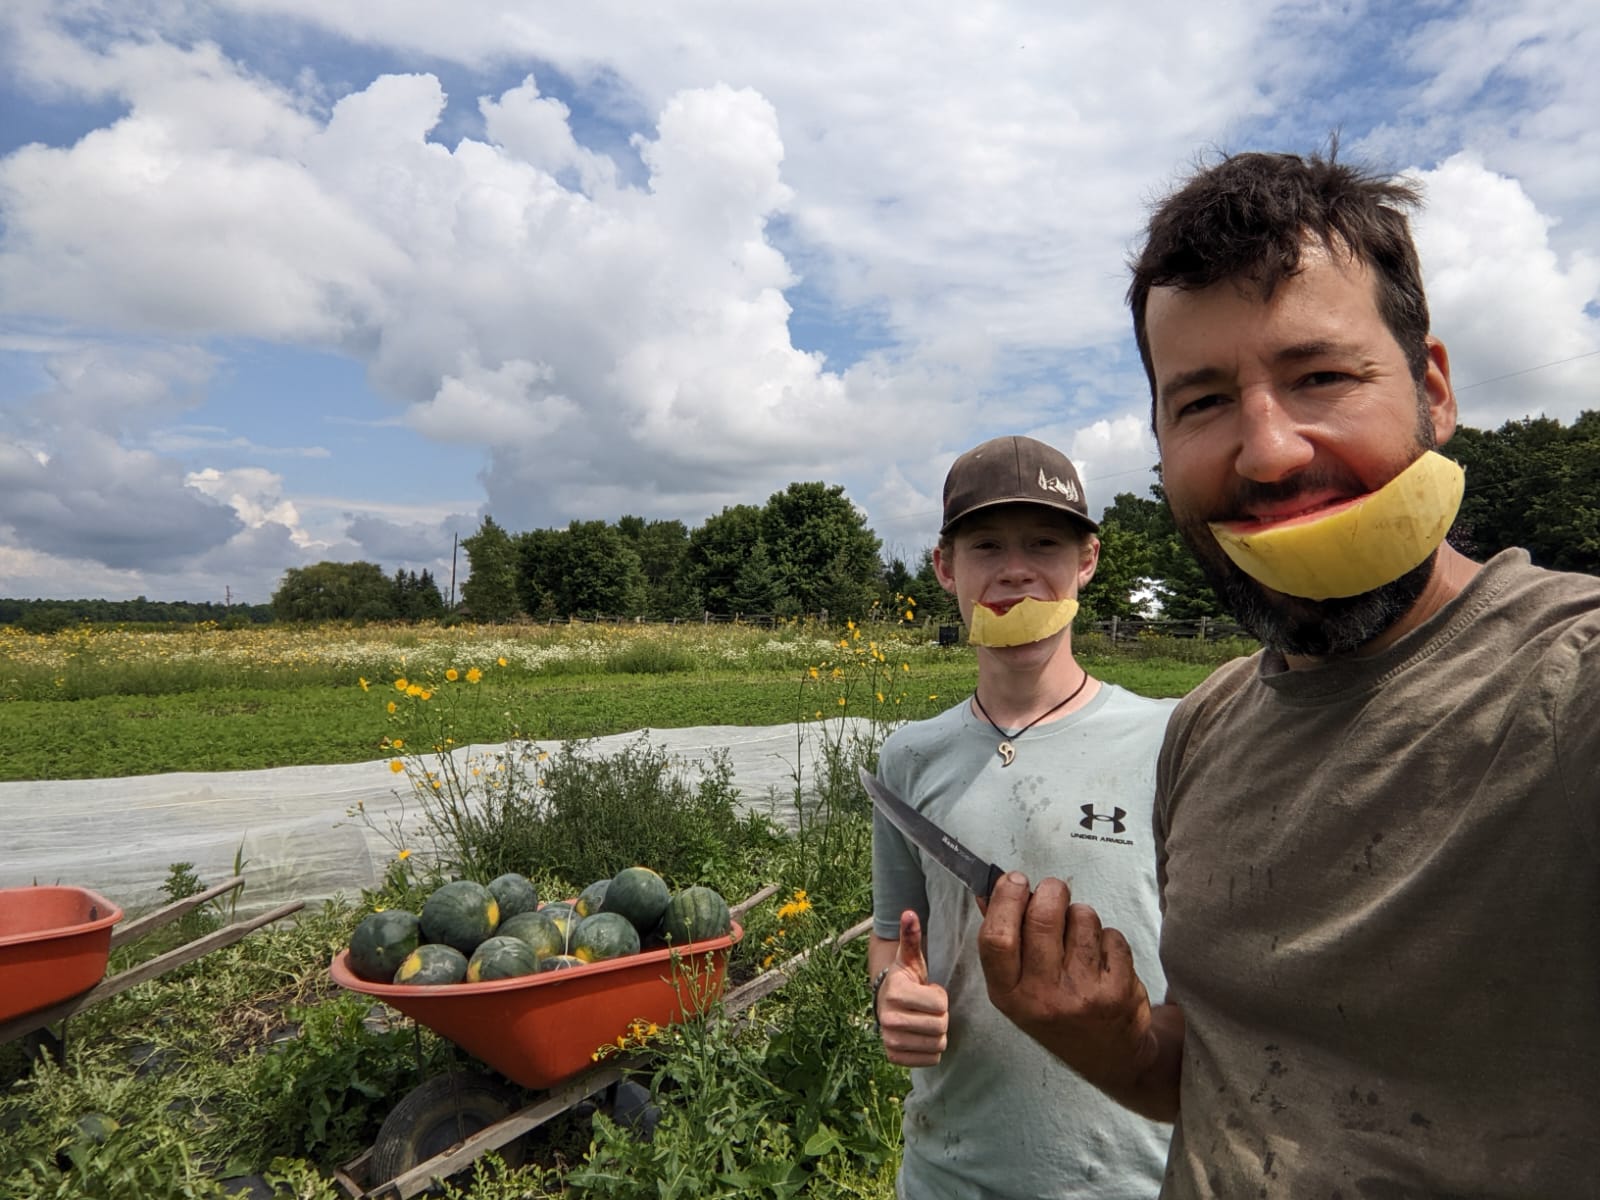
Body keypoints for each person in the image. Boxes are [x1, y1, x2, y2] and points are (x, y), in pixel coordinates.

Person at [976, 148, 1600, 1197]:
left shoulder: (1567, 678)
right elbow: (1234, 1080)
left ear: (1431, 389)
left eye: (1319, 376)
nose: (1266, 451)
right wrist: (1113, 1037)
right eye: (1204, 401)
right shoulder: (1207, 725)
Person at [870, 434, 1176, 1199]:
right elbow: (890, 938)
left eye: (1044, 542)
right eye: (985, 545)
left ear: (1088, 561)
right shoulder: (909, 758)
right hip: (950, 1172)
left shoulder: (1171, 738)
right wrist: (890, 997)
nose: (1015, 569)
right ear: (947, 568)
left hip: (1136, 1178)